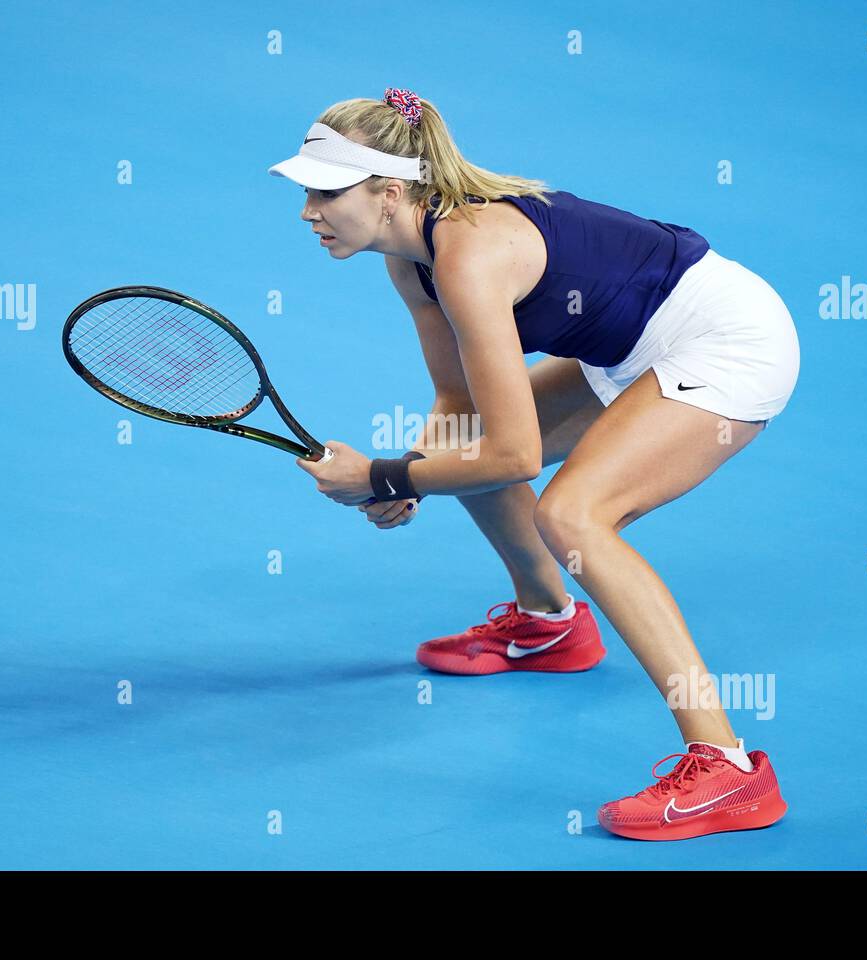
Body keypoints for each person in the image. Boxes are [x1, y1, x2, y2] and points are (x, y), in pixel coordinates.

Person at [271, 87, 799, 841]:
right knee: (462, 451)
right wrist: (406, 475)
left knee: (575, 517)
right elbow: (460, 402)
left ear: (390, 192)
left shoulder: (470, 257)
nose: (307, 211)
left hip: (725, 342)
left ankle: (728, 768)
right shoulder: (409, 260)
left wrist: (387, 475)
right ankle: (552, 626)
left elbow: (514, 454)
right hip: (631, 348)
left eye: (325, 193)